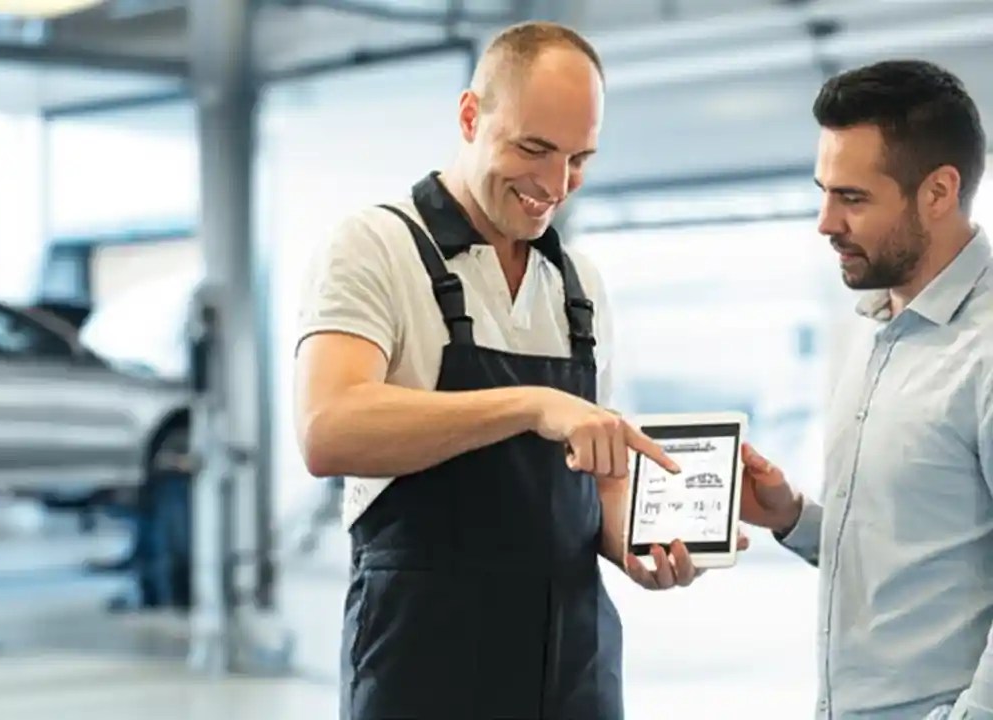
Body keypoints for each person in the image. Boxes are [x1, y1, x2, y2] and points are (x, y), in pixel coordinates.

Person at [293, 21, 722, 720]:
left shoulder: (579, 285)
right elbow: (327, 428)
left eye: (580, 158)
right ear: (471, 115)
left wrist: (643, 546)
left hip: (575, 678)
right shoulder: (374, 246)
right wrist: (530, 405)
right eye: (534, 148)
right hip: (425, 676)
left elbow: (597, 483)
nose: (555, 185)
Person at [740, 59, 993, 720]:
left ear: (938, 192)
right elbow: (907, 558)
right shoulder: (878, 329)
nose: (825, 221)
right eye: (824, 191)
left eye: (852, 198)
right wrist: (794, 517)